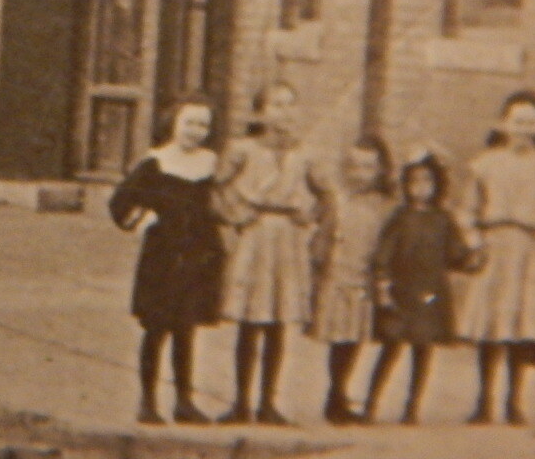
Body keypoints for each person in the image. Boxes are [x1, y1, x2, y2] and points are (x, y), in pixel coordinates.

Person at [213, 80, 328, 426]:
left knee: (279, 321)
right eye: (275, 105)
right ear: (259, 113)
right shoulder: (243, 150)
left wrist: (310, 216)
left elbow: (326, 193)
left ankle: (268, 403)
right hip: (255, 235)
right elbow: (217, 187)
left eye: (290, 104)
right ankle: (241, 402)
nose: (284, 112)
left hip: (288, 240)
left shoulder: (305, 154)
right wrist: (234, 215)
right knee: (251, 321)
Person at [457, 89, 535, 425]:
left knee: (521, 328)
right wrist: (475, 240)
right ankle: (483, 401)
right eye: (517, 121)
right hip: (495, 247)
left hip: (530, 251)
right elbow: (467, 210)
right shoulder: (485, 164)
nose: (523, 128)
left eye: (531, 122)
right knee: (490, 327)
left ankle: (513, 401)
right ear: (504, 124)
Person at [108, 93, 224, 425]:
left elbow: (219, 203)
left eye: (204, 124)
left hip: (197, 257)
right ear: (173, 122)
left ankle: (184, 401)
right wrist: (145, 221)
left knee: (186, 330)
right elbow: (120, 203)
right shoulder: (156, 163)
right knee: (156, 328)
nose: (196, 130)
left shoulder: (210, 163)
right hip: (162, 258)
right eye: (189, 122)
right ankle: (148, 402)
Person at [362, 152, 476, 424]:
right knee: (391, 346)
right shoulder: (400, 217)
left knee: (423, 349)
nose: (421, 186)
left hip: (431, 292)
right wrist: (382, 281)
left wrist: (471, 256)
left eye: (427, 180)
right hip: (403, 291)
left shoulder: (443, 219)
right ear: (405, 184)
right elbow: (384, 252)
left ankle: (412, 407)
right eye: (414, 181)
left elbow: (454, 254)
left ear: (438, 184)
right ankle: (371, 404)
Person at [311, 136, 395, 424]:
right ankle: (334, 396)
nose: (360, 174)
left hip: (364, 279)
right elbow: (323, 235)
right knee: (338, 339)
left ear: (380, 170)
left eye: (368, 167)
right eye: (354, 166)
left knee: (354, 339)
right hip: (337, 277)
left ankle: (340, 394)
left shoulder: (384, 205)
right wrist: (318, 267)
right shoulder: (338, 199)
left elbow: (386, 244)